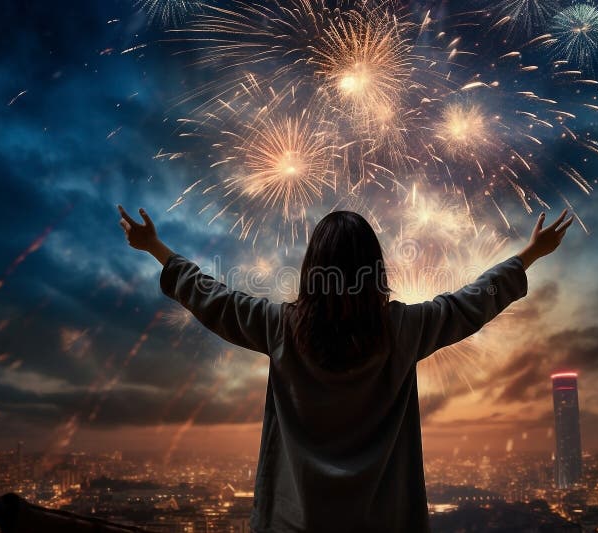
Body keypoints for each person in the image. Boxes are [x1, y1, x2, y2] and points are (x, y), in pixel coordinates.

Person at [118, 205, 573, 532]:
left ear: (311, 268)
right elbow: (471, 301)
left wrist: (156, 248)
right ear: (375, 269)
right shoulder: (405, 329)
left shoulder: (280, 327)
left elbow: (212, 298)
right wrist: (529, 254)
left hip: (294, 522)